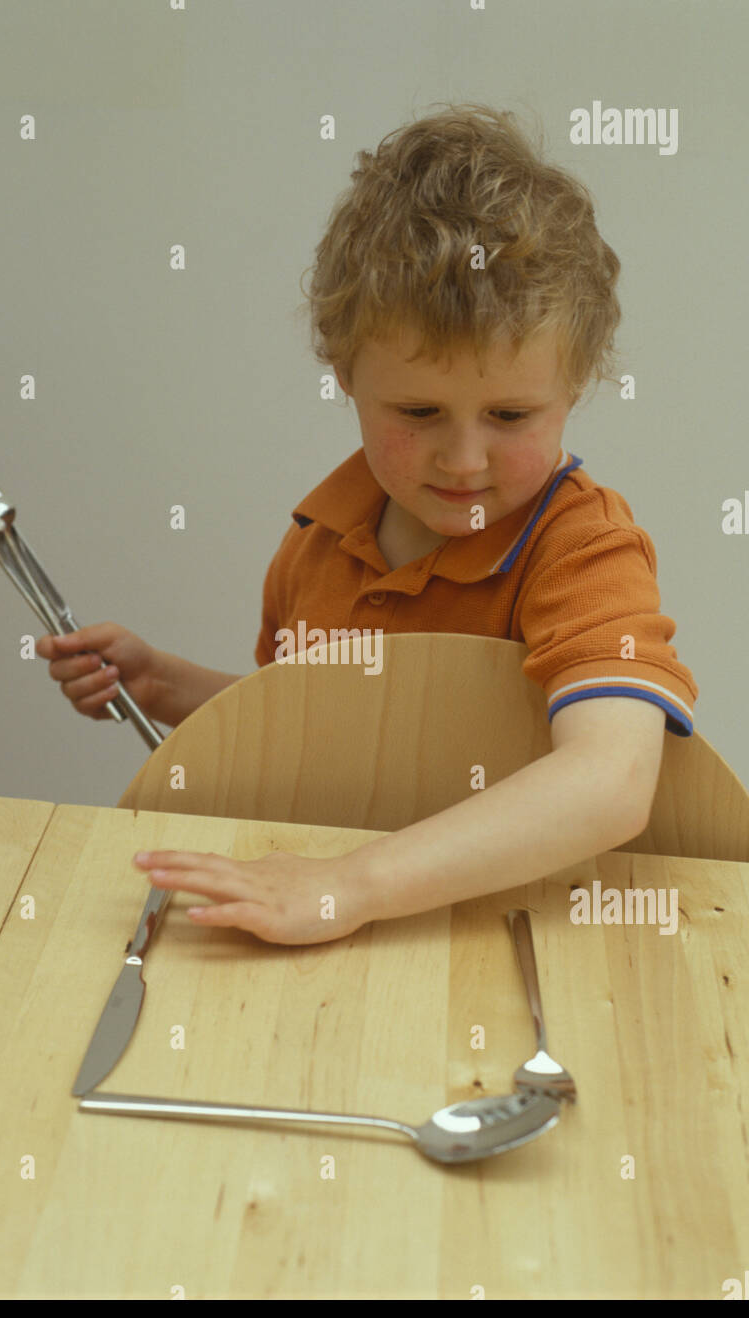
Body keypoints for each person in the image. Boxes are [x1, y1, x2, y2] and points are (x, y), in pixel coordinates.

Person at [37, 102, 697, 946]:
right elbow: (342, 743)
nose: (464, 460)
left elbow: (610, 781)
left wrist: (349, 888)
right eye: (419, 411)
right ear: (345, 373)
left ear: (577, 388)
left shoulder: (582, 549)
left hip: (528, 943)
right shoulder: (317, 542)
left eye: (510, 414)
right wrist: (173, 690)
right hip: (349, 953)